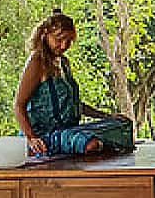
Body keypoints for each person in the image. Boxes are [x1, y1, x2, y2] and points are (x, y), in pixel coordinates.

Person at [14, 12, 134, 157]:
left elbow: (75, 105)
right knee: (90, 143)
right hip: (45, 136)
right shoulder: (37, 62)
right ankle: (98, 146)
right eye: (59, 39)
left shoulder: (63, 63)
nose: (64, 45)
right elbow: (19, 105)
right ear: (45, 35)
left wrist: (107, 116)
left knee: (123, 125)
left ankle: (99, 145)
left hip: (69, 131)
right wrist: (31, 138)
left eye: (69, 41)